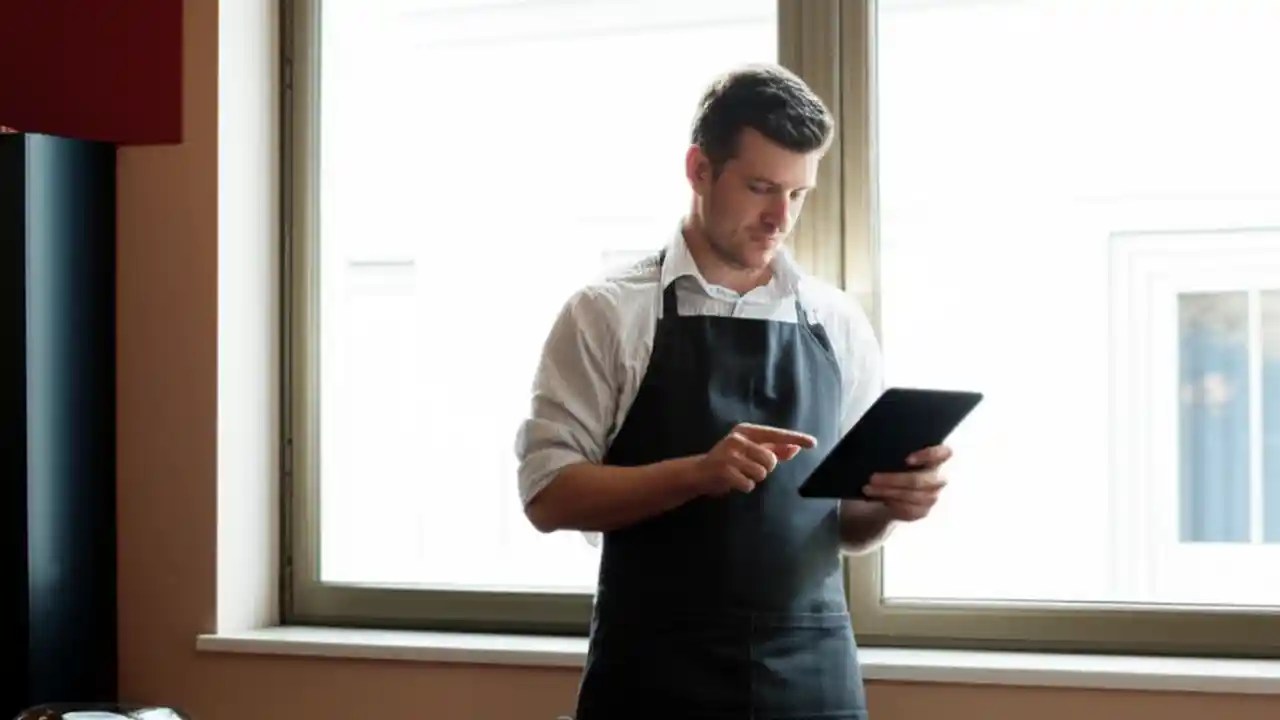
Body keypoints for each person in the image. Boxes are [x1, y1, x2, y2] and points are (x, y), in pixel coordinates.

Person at [514, 63, 953, 719]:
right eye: (760, 188)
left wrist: (894, 503)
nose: (780, 217)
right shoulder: (607, 314)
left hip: (814, 681)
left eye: (798, 194)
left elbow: (847, 525)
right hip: (653, 677)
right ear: (699, 170)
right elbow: (548, 495)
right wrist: (697, 473)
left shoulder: (836, 322)